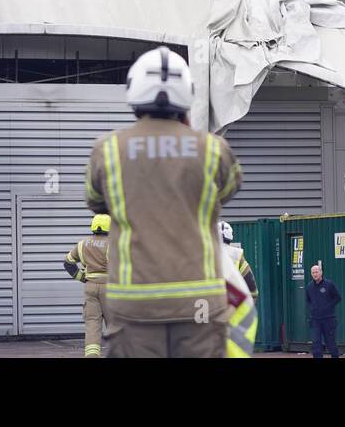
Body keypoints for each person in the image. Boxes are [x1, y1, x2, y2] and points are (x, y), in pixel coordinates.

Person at [86, 45, 242, 358]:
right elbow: (227, 191)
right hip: (200, 301)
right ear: (187, 95)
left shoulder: (108, 150)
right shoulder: (213, 149)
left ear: (134, 92)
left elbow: (97, 201)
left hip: (135, 303)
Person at [63, 213, 110, 357]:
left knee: (92, 323)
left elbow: (68, 262)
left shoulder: (82, 244)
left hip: (90, 288)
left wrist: (82, 278)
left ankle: (92, 355)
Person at [304, 264, 342, 359]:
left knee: (330, 343)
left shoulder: (329, 284)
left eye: (316, 272)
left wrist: (328, 307)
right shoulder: (309, 286)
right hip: (315, 319)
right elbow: (308, 300)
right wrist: (313, 308)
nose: (315, 274)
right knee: (316, 342)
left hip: (328, 319)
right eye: (313, 272)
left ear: (321, 272)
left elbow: (338, 298)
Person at [221, 221, 259, 303]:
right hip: (231, 303)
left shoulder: (202, 254)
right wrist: (253, 297)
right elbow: (250, 283)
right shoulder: (236, 254)